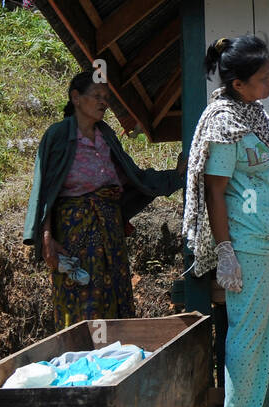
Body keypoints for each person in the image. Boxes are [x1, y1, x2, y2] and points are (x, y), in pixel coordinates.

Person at [183, 36, 269, 407]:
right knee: (249, 332)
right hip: (247, 244)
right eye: (263, 77)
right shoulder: (223, 122)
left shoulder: (254, 114)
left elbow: (261, 168)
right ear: (238, 84)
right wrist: (225, 253)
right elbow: (215, 190)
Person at [23, 70, 186, 329]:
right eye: (97, 95)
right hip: (74, 232)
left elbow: (134, 177)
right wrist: (46, 238)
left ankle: (117, 359)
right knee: (81, 293)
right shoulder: (57, 136)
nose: (103, 102)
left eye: (106, 97)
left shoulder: (106, 136)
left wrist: (173, 177)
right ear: (76, 98)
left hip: (110, 231)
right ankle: (82, 357)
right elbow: (45, 191)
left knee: (115, 293)